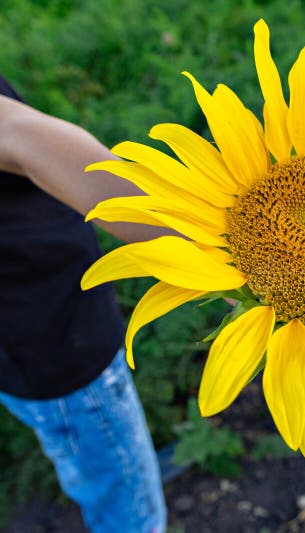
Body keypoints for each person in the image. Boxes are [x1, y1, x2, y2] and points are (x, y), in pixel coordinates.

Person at [0, 76, 168, 532]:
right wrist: (229, 244)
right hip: (56, 339)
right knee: (123, 488)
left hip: (26, 342)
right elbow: (17, 134)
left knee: (80, 455)